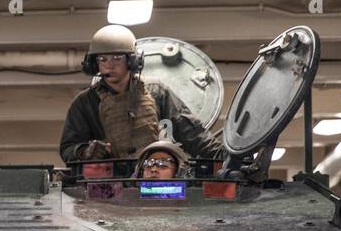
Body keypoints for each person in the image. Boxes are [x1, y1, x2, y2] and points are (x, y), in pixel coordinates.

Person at [59, 24, 223, 164]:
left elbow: (192, 136)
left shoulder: (156, 92)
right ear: (94, 64)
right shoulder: (85, 103)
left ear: (132, 61)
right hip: (108, 182)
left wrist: (226, 157)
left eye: (117, 58)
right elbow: (67, 148)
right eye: (103, 59)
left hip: (153, 172)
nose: (109, 65)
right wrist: (85, 151)